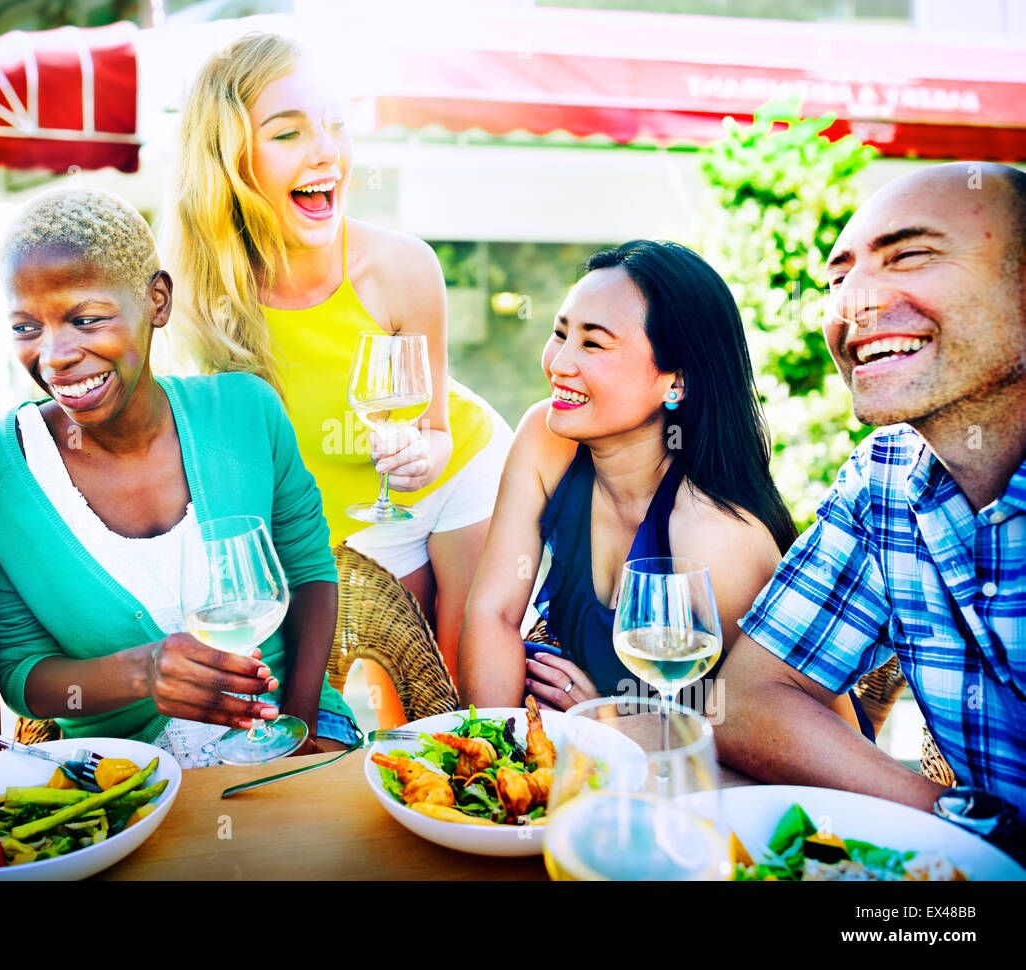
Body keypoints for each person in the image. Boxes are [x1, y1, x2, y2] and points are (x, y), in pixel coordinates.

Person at [0, 187, 358, 768]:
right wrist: (141, 673)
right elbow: (21, 674)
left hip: (296, 721)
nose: (55, 354)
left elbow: (311, 571)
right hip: (129, 767)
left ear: (156, 301)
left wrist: (297, 726)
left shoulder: (245, 411)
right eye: (26, 328)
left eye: (85, 319)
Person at [162, 33, 512, 707]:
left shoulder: (402, 268)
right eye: (288, 133)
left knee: (463, 688)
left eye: (335, 126)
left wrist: (421, 452)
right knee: (369, 707)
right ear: (229, 160)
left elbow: (437, 429)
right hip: (332, 521)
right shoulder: (198, 298)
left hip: (448, 479)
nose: (327, 151)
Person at [716, 162, 1026, 813]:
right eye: (838, 278)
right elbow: (744, 702)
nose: (849, 304)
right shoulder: (884, 476)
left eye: (910, 256)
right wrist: (965, 824)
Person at [460, 240, 828, 720]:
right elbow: (493, 614)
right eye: (560, 333)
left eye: (593, 343)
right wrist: (495, 758)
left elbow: (751, 721)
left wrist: (609, 722)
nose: (558, 363)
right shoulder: (546, 438)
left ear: (675, 382)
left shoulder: (713, 535)